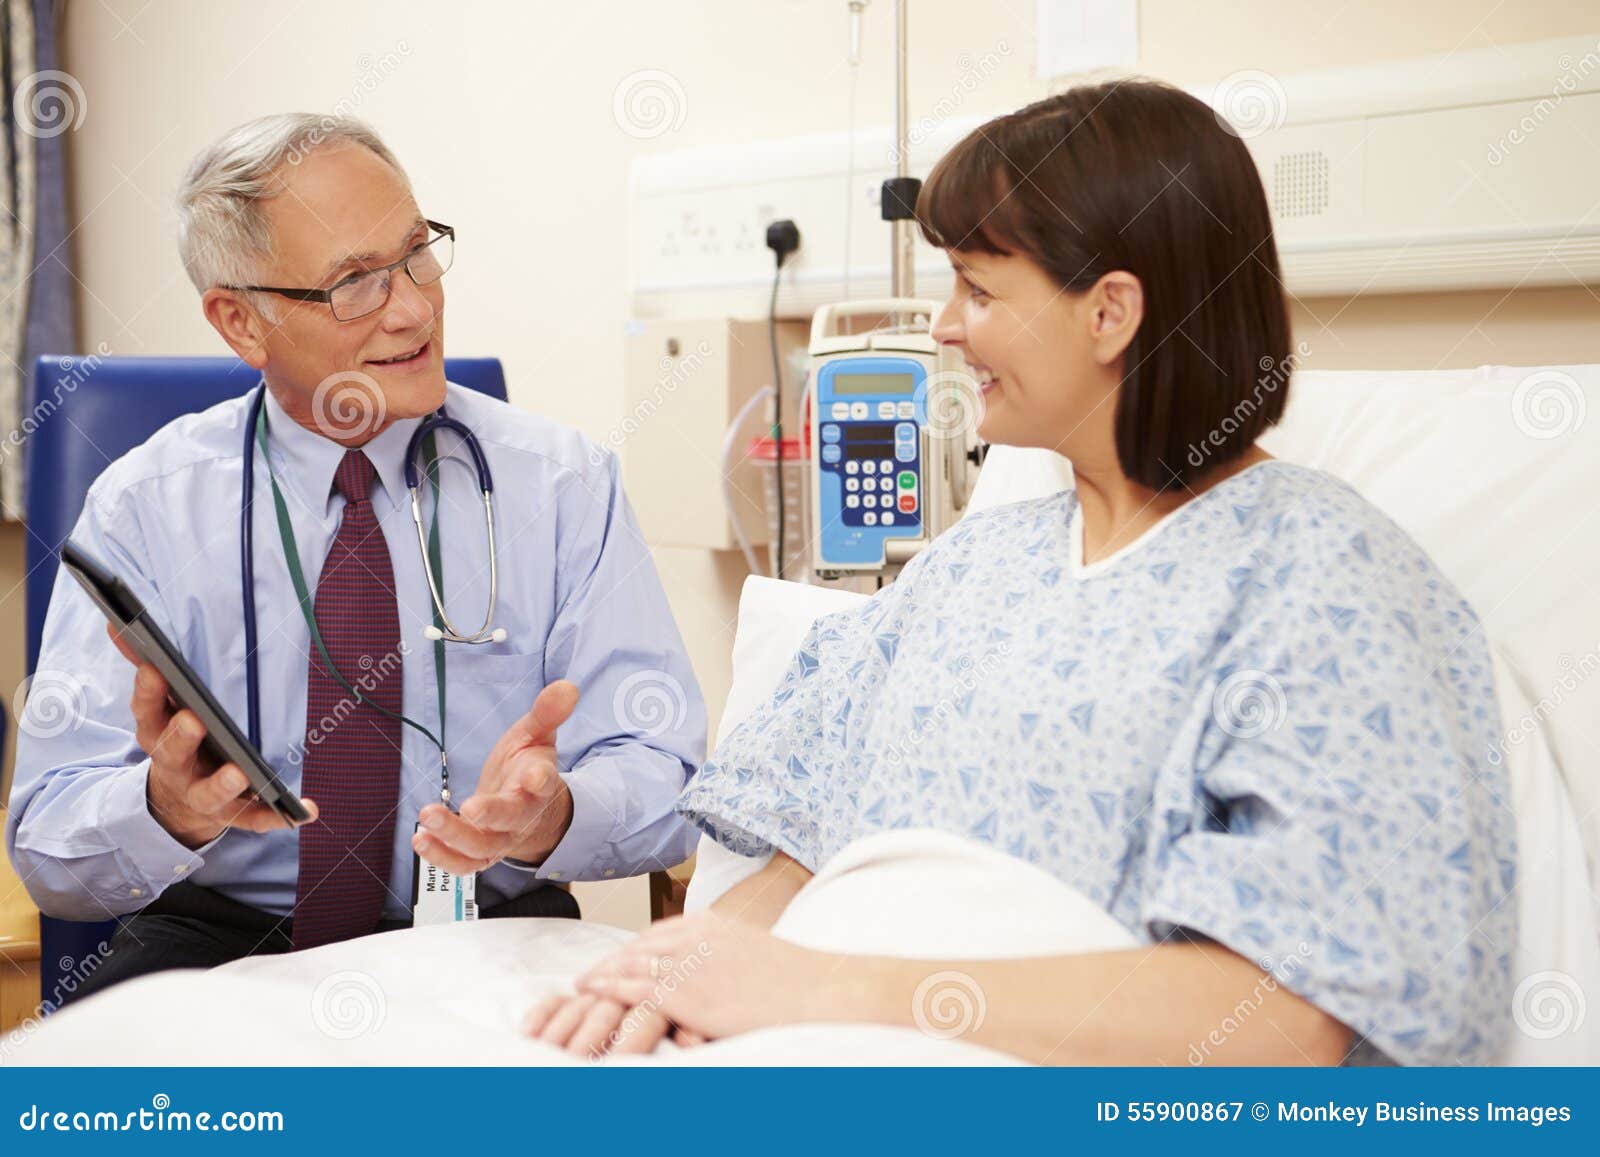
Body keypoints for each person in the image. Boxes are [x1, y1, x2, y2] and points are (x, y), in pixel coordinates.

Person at [524, 80, 1516, 1065]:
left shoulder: (1321, 583)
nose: (946, 326)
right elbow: (796, 849)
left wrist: (821, 988)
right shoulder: (968, 569)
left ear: (1109, 314)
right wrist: (669, 982)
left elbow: (1283, 1016)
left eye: (980, 288)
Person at [6, 114, 705, 998]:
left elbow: (669, 779)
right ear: (240, 322)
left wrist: (551, 816)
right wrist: (164, 810)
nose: (414, 306)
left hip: (492, 936)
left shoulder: (563, 486)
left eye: (418, 253)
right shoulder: (145, 507)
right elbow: (48, 846)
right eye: (353, 285)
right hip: (222, 946)